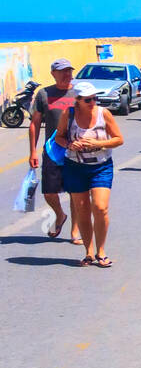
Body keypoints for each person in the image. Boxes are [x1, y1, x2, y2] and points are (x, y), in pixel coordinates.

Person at [56, 81, 123, 267]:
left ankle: (102, 252)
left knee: (100, 207)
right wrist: (70, 144)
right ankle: (89, 252)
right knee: (82, 210)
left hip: (101, 166)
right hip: (75, 167)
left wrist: (98, 144)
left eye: (95, 98)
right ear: (77, 100)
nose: (93, 102)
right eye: (88, 100)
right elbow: (59, 137)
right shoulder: (68, 114)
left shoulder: (104, 114)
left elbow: (119, 139)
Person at [28, 58, 82, 245]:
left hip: (75, 149)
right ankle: (60, 215)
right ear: (53, 73)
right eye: (62, 71)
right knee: (49, 192)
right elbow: (34, 123)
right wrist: (33, 152)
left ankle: (75, 232)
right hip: (52, 150)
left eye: (69, 70)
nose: (67, 74)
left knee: (76, 192)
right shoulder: (44, 94)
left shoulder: (78, 94)